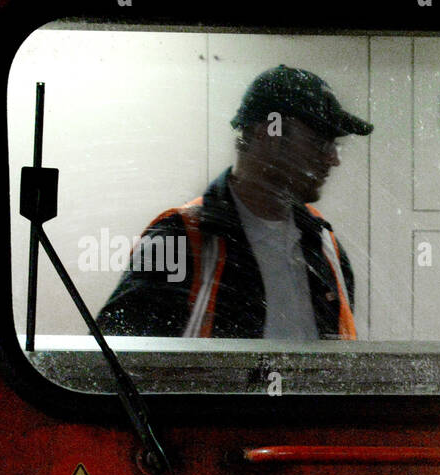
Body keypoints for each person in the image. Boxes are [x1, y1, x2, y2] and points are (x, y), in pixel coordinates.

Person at [96, 65, 372, 339]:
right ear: (270, 134)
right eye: (320, 143)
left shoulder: (324, 244)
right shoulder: (180, 238)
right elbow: (116, 363)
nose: (333, 159)